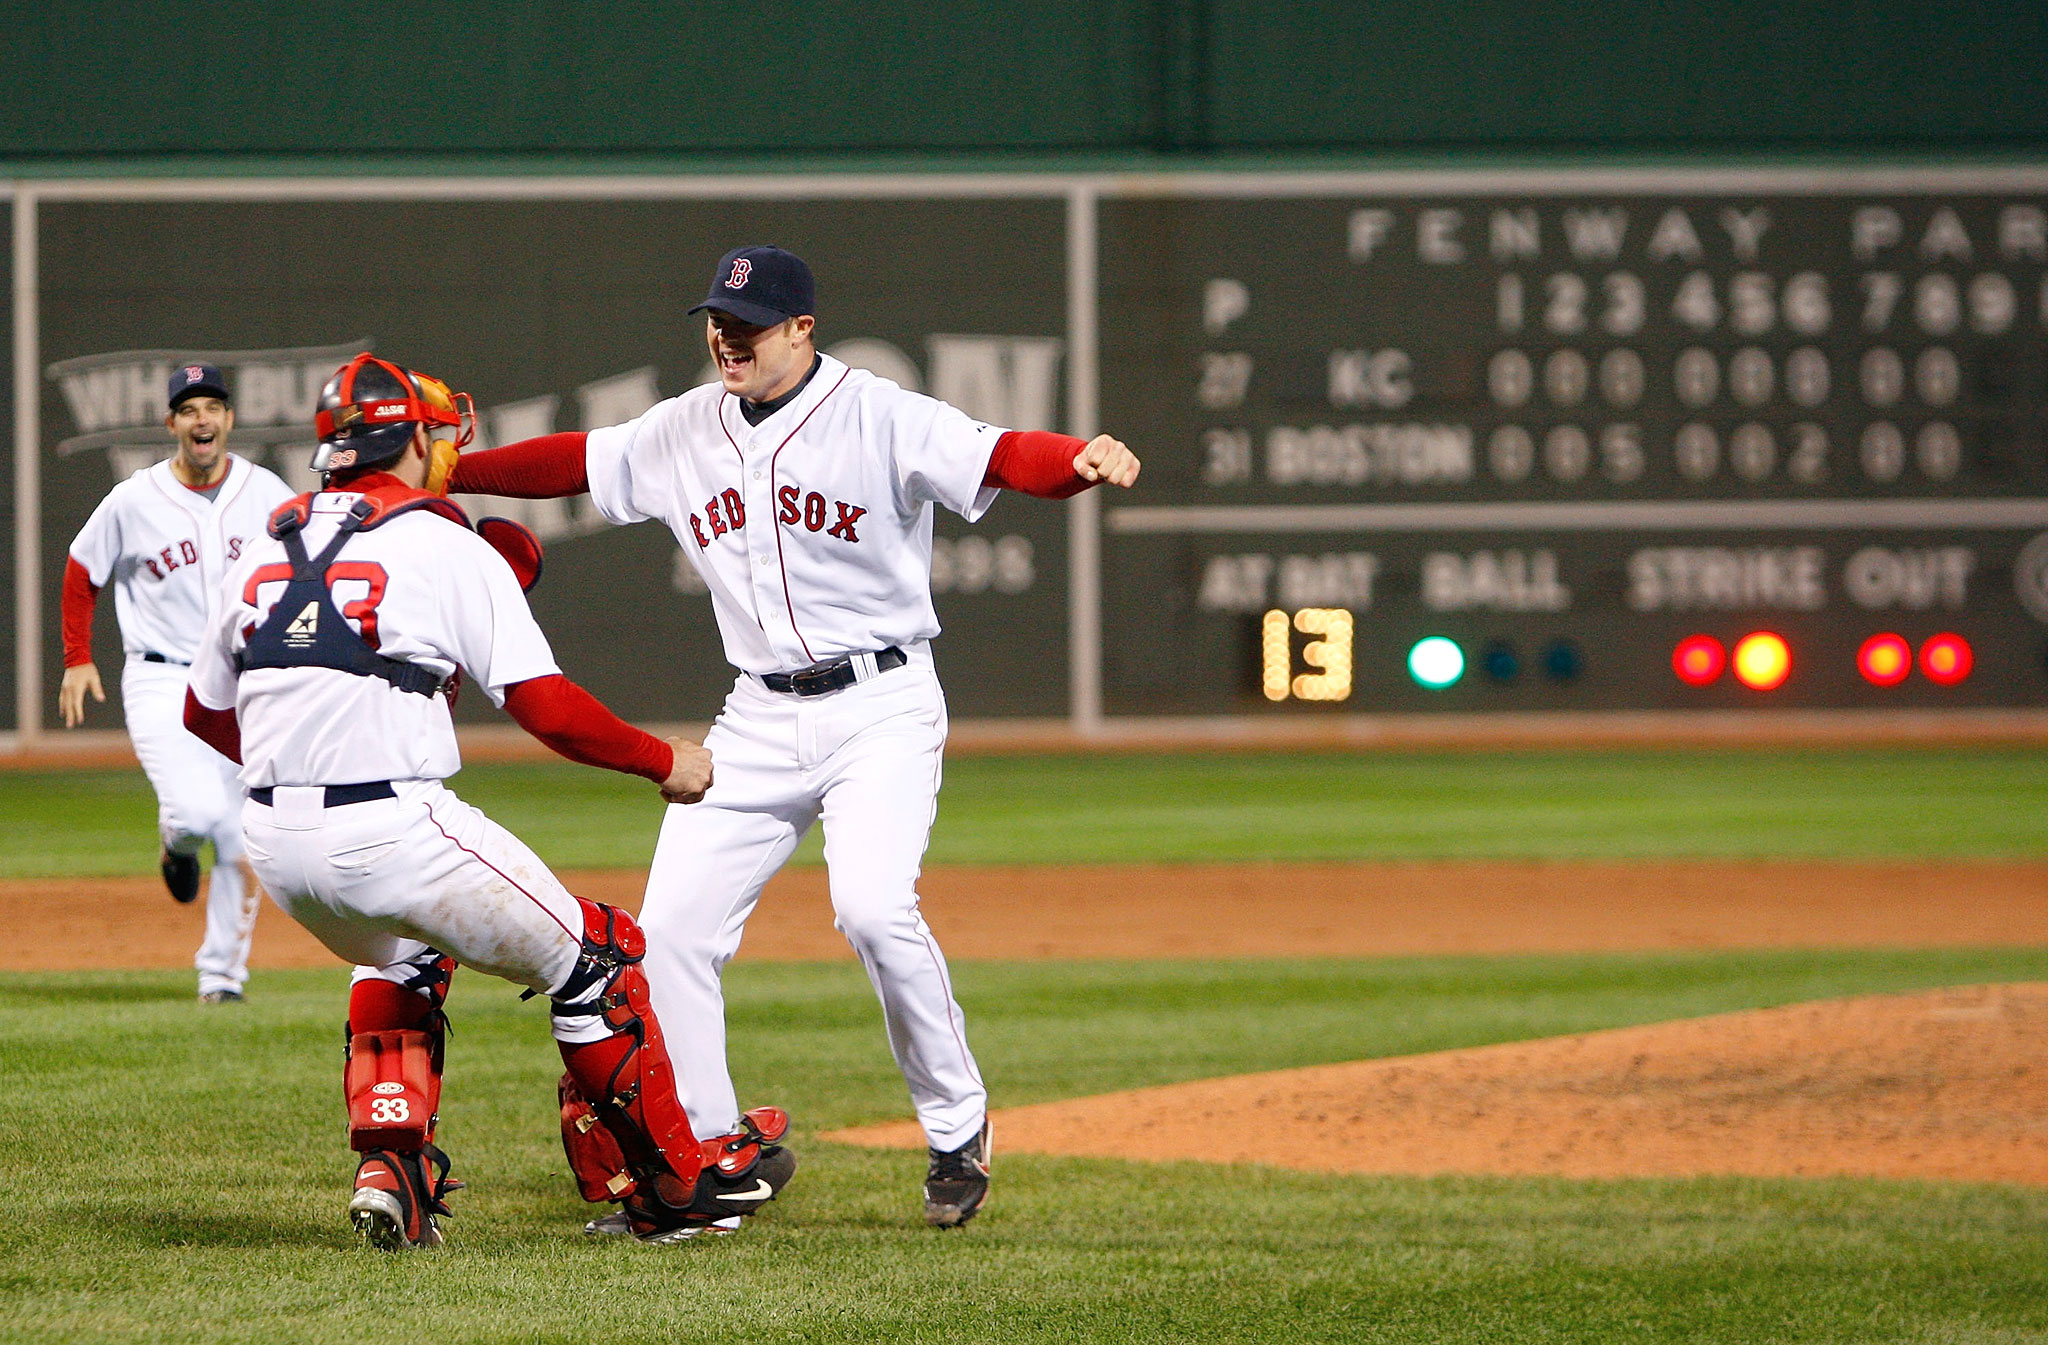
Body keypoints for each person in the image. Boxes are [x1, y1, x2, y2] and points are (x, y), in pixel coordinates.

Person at [448, 244, 1141, 1229]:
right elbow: (576, 461)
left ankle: (956, 1126)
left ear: (802, 328)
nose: (727, 338)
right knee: (670, 931)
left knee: (871, 908)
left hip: (881, 704)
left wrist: (1076, 460)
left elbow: (1002, 456)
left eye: (750, 324)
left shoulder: (879, 413)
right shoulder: (684, 426)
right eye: (717, 321)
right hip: (759, 715)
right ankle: (707, 1160)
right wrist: (448, 472)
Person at [181, 353, 794, 1248]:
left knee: (401, 957)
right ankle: (673, 1190)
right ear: (408, 439)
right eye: (435, 432)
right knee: (601, 960)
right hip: (390, 826)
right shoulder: (443, 544)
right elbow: (546, 708)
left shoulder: (265, 540)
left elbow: (204, 713)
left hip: (275, 840)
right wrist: (664, 760)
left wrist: (305, 761)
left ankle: (390, 1168)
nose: (446, 447)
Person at [60, 364, 294, 1003]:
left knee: (241, 833)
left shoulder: (266, 492)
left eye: (212, 407)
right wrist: (78, 657)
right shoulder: (134, 499)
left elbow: (304, 569)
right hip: (160, 677)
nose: (202, 419)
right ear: (172, 424)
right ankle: (175, 843)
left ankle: (222, 977)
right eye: (189, 409)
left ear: (229, 420)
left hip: (242, 681)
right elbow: (82, 569)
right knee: (197, 816)